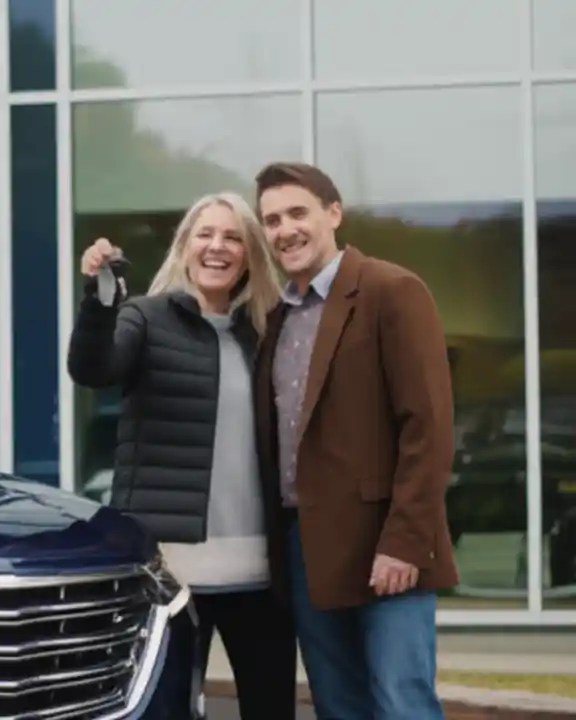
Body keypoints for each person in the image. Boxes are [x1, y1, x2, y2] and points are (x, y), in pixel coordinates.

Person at [67, 192, 297, 719]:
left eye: (233, 237)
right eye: (206, 234)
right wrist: (101, 296)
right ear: (186, 246)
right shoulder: (144, 319)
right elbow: (93, 368)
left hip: (260, 575)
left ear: (249, 255)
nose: (218, 247)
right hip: (173, 575)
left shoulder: (266, 331)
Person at [251, 160, 460, 719]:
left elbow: (429, 426)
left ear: (334, 214)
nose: (285, 230)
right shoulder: (276, 319)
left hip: (384, 543)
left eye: (298, 213)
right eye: (271, 220)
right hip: (305, 548)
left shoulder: (391, 291)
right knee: (337, 705)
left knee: (400, 701)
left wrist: (406, 541)